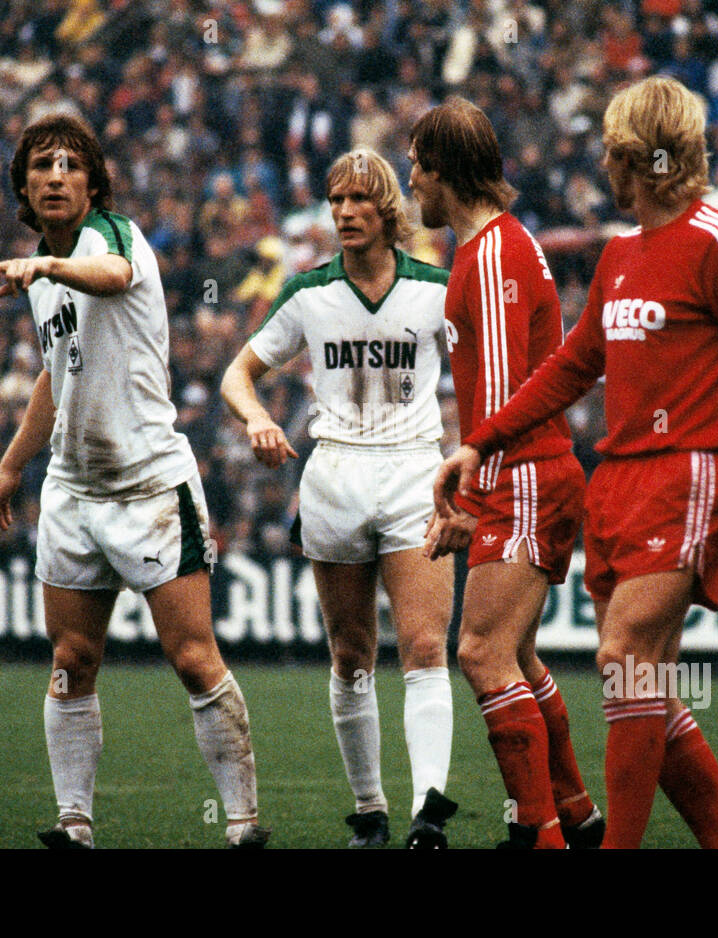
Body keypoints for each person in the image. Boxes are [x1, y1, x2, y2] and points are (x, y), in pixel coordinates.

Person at [433, 76, 718, 848]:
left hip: (691, 473)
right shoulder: (620, 255)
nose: (602, 162)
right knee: (648, 690)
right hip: (617, 483)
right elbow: (571, 366)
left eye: (611, 149)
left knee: (622, 656)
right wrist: (479, 442)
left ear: (635, 156)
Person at [0, 114, 266, 849]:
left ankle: (242, 823)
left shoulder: (115, 237)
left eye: (71, 164)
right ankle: (75, 822)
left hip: (149, 486)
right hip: (72, 493)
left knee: (193, 658)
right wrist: (11, 469)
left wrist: (45, 268)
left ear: (93, 182)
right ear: (24, 185)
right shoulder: (42, 275)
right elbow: (54, 375)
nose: (56, 175)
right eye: (41, 165)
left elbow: (114, 278)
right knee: (71, 660)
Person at [221, 148, 459, 848]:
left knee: (423, 645)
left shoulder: (439, 289)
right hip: (334, 472)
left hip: (416, 470)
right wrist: (257, 418)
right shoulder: (307, 292)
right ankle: (370, 810)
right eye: (336, 201)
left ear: (389, 212)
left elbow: (484, 371)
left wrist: (472, 459)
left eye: (359, 200)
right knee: (351, 652)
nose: (346, 212)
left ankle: (428, 815)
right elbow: (241, 372)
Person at [407, 98, 604, 849]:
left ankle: (540, 834)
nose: (412, 183)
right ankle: (575, 816)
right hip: (532, 471)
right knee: (516, 654)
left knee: (480, 654)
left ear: (443, 170)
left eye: (418, 165)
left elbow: (503, 395)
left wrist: (473, 489)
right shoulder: (498, 245)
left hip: (521, 473)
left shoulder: (489, 256)